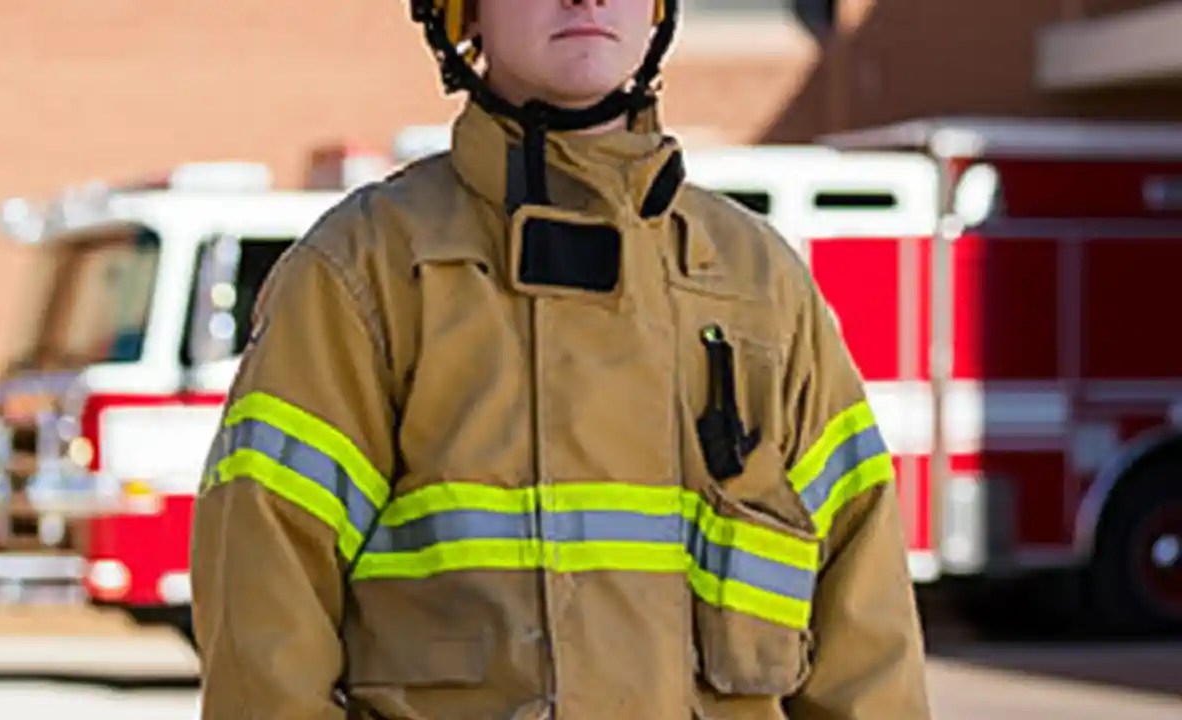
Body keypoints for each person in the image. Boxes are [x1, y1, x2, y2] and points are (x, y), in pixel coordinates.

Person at [190, 0, 933, 718]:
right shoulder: (368, 277)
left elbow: (865, 641)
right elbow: (266, 626)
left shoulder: (761, 289)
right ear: (464, 11)